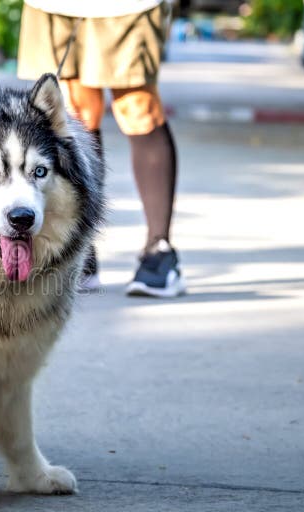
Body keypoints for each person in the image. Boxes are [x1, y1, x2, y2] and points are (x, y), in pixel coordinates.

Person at [17, 0, 186, 298]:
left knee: (138, 109)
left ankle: (159, 249)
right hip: (53, 7)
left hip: (125, 7)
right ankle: (81, 247)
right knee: (74, 113)